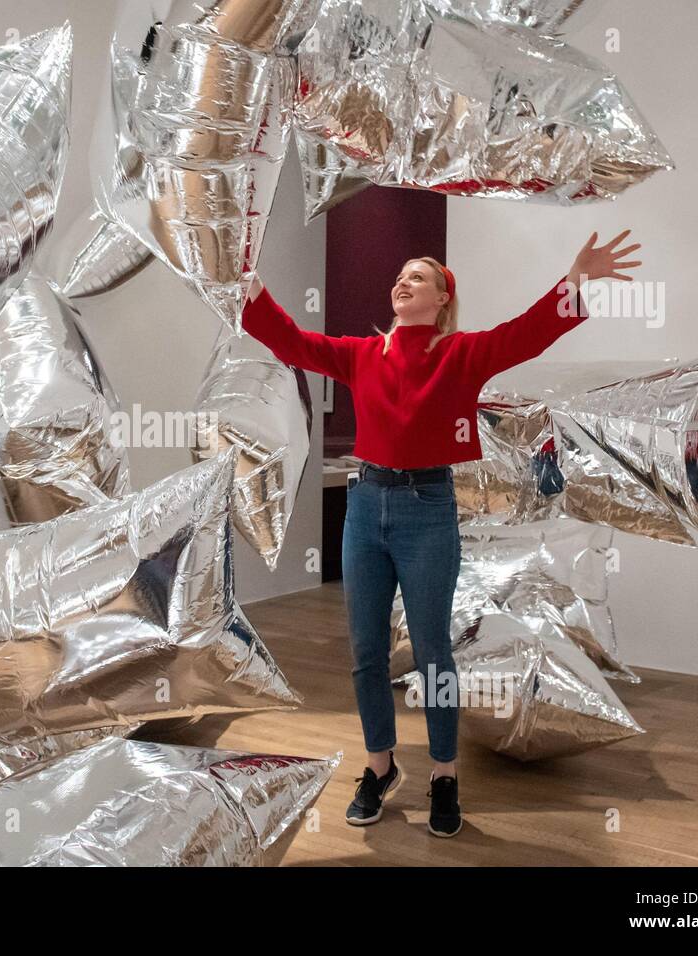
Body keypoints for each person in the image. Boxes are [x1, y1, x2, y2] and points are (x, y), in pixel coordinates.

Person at [240, 230, 642, 836]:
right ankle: (380, 767)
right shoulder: (360, 355)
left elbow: (528, 333)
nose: (403, 281)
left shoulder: (463, 355)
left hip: (427, 509)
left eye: (419, 277)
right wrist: (251, 289)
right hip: (365, 505)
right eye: (400, 275)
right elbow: (293, 343)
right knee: (367, 653)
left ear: (442, 299)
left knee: (432, 653)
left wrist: (575, 280)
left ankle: (444, 776)